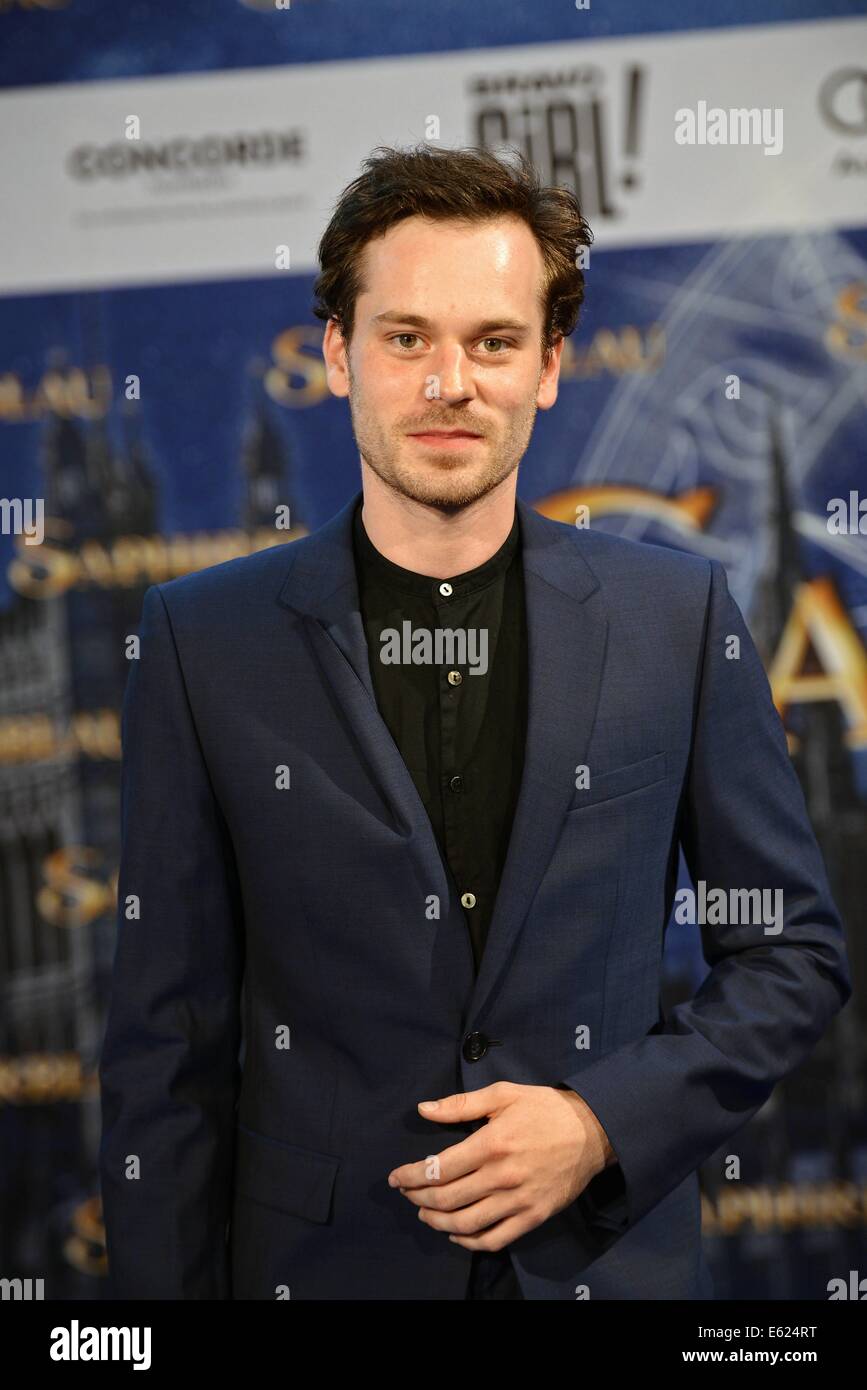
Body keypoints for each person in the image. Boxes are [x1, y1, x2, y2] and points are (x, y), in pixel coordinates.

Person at [98, 144, 851, 1301]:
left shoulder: (678, 618)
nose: (450, 382)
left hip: (609, 1270)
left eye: (494, 341)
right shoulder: (205, 643)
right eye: (407, 338)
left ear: (550, 364)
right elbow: (165, 1050)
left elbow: (791, 955)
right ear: (339, 352)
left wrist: (601, 1124)